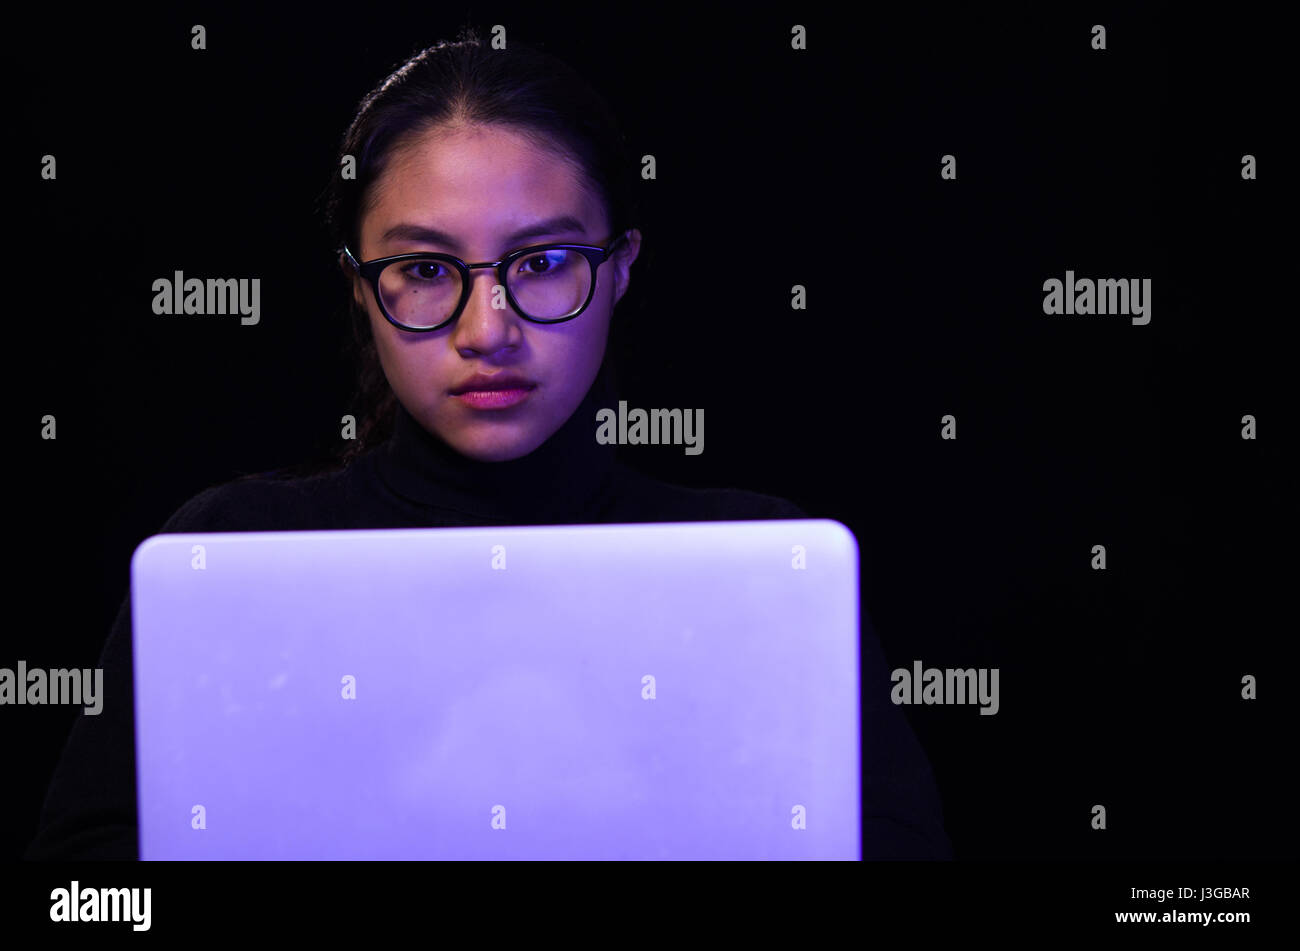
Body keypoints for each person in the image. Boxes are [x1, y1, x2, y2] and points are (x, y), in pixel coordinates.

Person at [25, 29, 951, 860]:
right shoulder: (228, 552)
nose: (487, 329)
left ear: (621, 265)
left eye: (542, 262)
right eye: (426, 270)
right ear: (359, 286)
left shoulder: (768, 571)